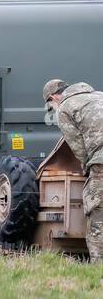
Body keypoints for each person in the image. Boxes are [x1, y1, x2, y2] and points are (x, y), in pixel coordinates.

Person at [44, 78, 103, 262]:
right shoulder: (98, 95)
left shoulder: (65, 108)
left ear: (53, 98)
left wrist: (88, 169)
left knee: (97, 210)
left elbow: (79, 147)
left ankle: (98, 266)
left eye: (51, 106)